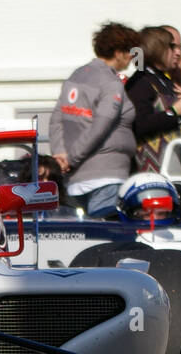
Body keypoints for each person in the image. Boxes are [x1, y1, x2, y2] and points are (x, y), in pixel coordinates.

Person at [48, 22, 139, 213]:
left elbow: (57, 117)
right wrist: (71, 159)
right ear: (118, 52)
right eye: (129, 51)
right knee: (106, 237)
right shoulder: (111, 82)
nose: (132, 57)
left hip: (75, 179)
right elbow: (102, 124)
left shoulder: (77, 75)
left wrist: (60, 156)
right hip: (106, 176)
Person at [126, 26, 181, 173]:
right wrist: (174, 111)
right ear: (157, 49)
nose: (178, 53)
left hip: (176, 166)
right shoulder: (141, 81)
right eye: (172, 47)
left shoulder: (163, 79)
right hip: (153, 170)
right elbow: (139, 125)